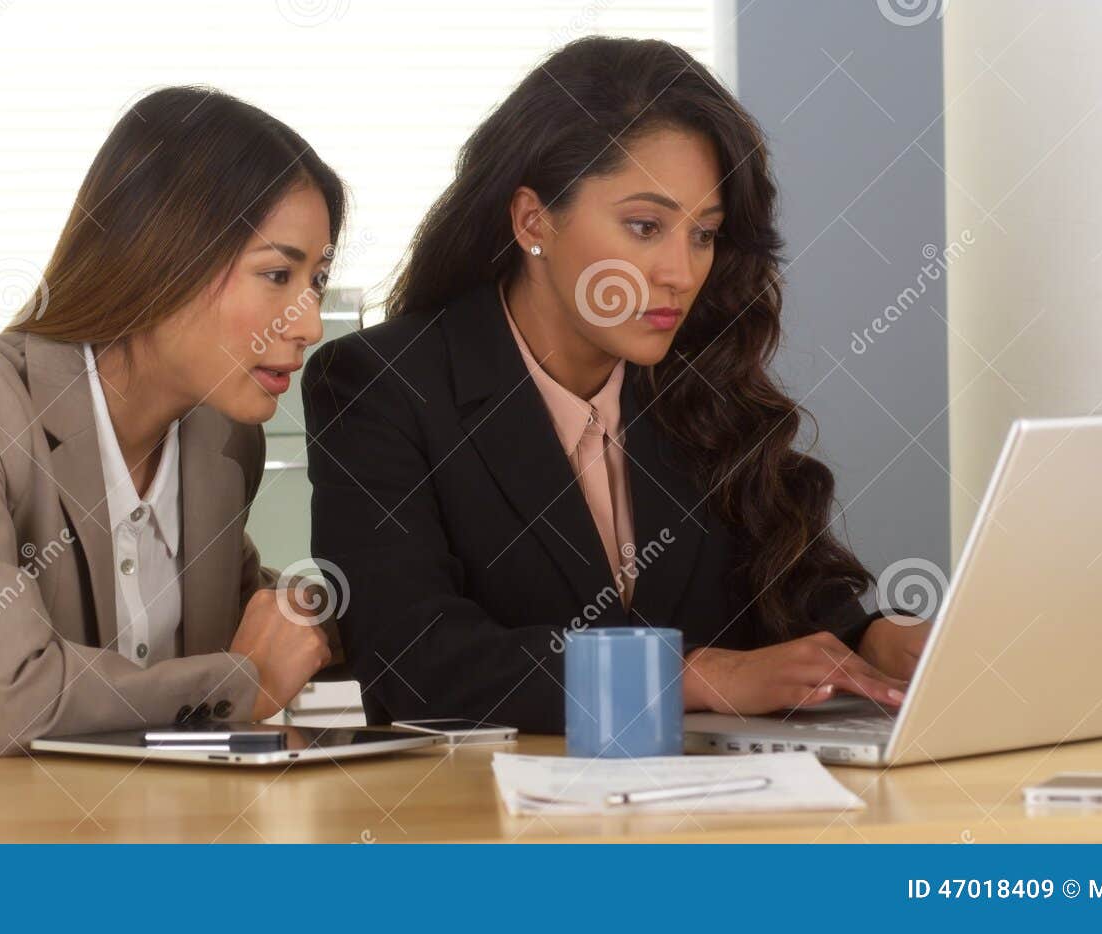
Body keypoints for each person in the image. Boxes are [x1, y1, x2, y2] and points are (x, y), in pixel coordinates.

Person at [304, 37, 927, 733]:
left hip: (715, 819)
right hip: (483, 825)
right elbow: (415, 658)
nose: (682, 274)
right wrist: (689, 675)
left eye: (704, 235)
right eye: (645, 226)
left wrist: (872, 640)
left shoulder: (700, 380)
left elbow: (783, 588)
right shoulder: (381, 385)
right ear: (533, 221)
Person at [0, 87, 337, 754]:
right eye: (276, 275)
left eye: (316, 281)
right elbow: (7, 704)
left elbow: (261, 622)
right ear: (162, 258)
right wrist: (244, 684)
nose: (311, 324)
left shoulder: (224, 440)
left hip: (131, 835)